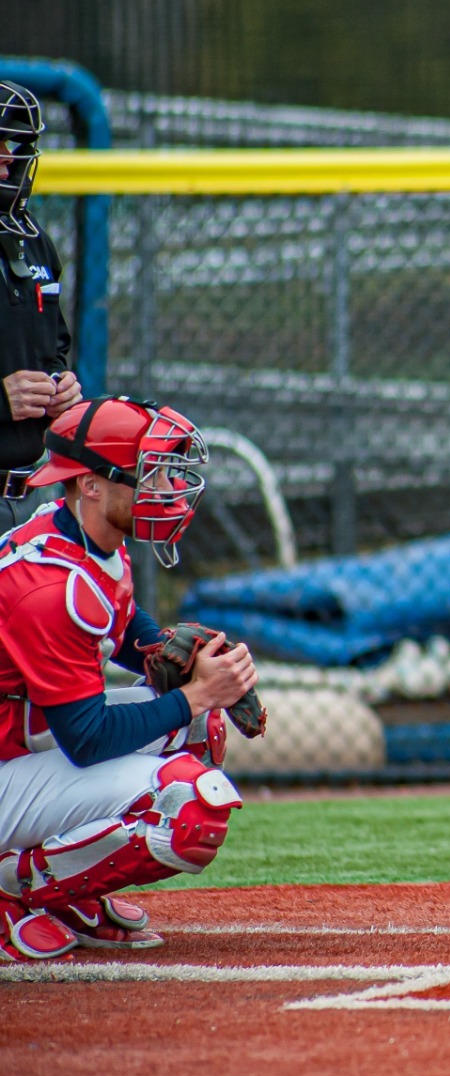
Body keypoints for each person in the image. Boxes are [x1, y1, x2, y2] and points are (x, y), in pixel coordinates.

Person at [0, 396, 259, 961]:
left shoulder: (78, 535)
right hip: (13, 760)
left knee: (201, 726)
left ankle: (64, 889)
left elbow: (124, 627)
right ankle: (14, 886)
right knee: (190, 806)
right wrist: (195, 693)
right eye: (151, 473)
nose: (168, 488)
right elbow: (87, 739)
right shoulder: (52, 588)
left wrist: (184, 662)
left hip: (20, 742)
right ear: (91, 485)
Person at [0, 82, 80, 534]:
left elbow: (54, 347)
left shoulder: (32, 239)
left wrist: (60, 385)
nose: (8, 158)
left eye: (10, 146)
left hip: (33, 495)